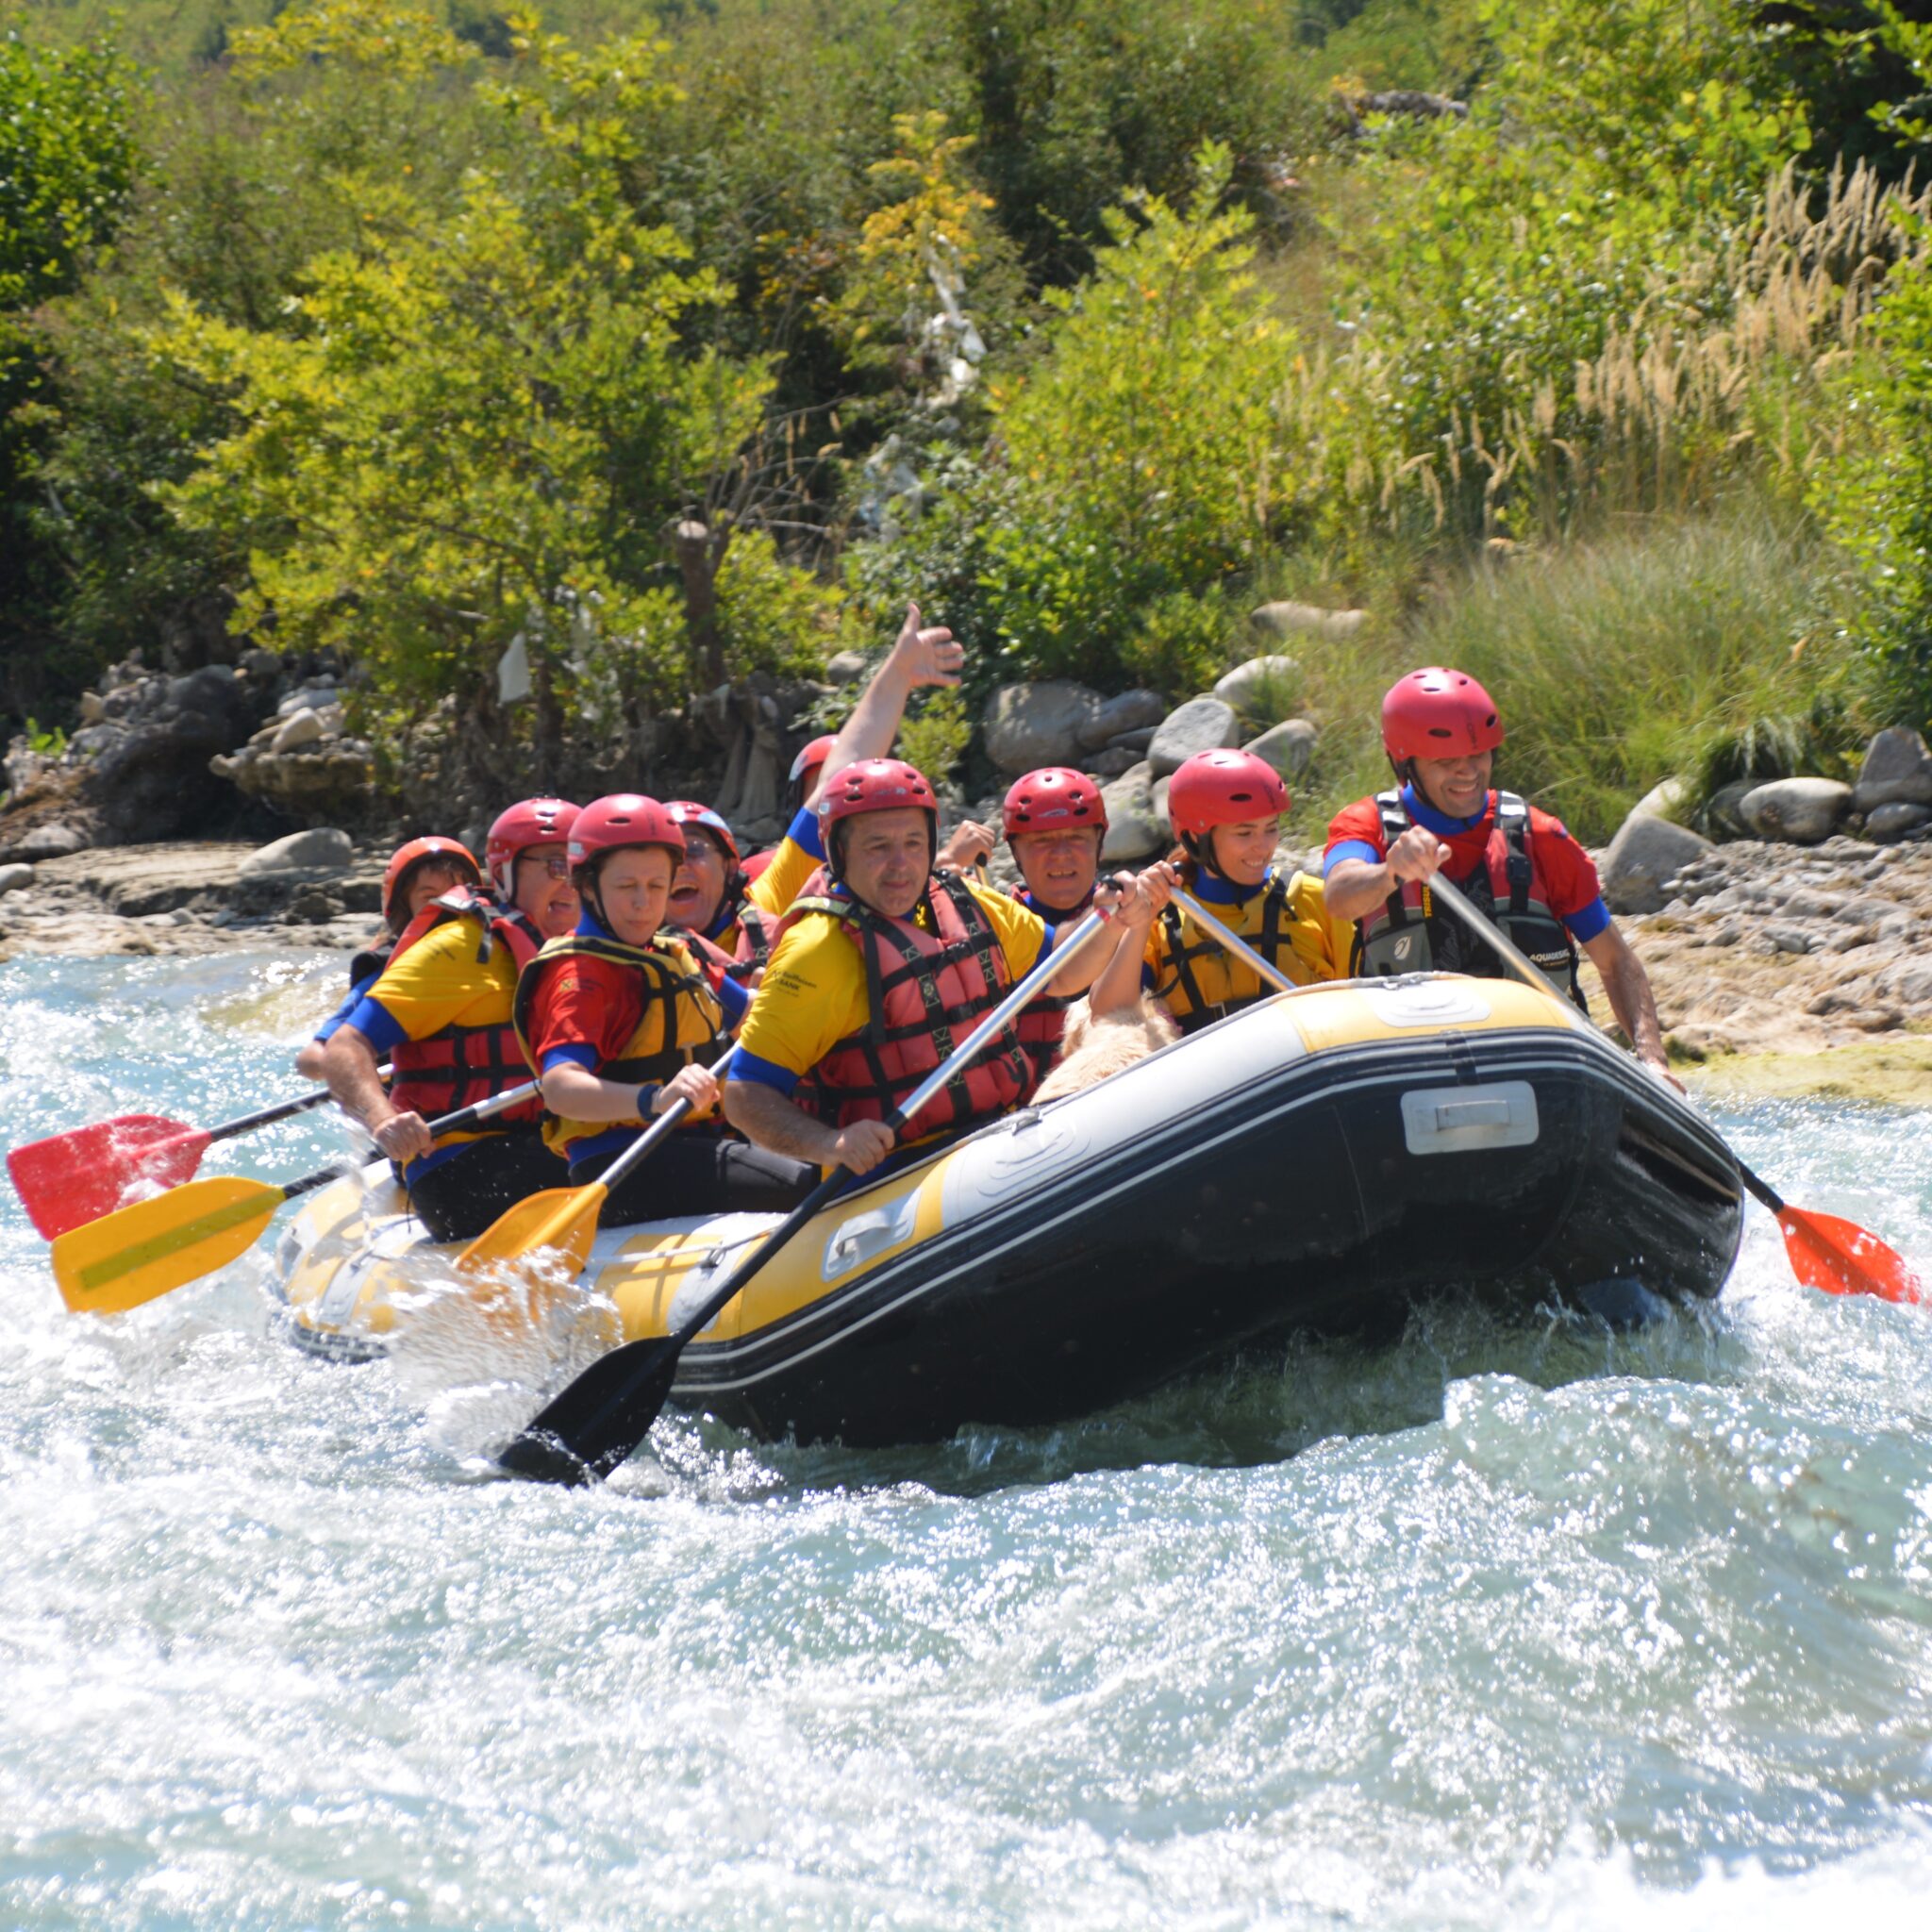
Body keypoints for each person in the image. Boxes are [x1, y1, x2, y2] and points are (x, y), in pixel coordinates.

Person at [722, 758, 1167, 1176]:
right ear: (838, 852)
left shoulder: (966, 902)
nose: (900, 865)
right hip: (894, 1174)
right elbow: (744, 1092)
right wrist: (829, 1144)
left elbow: (1063, 970)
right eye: (878, 847)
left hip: (999, 1136)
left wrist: (1110, 919)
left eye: (914, 843)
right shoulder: (814, 950)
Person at [1322, 665, 1676, 1083]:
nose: (1469, 772)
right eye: (1446, 761)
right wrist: (1389, 873)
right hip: (1413, 1064)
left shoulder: (1541, 837)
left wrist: (1652, 1060)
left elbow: (1616, 962)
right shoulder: (1365, 825)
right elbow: (1339, 896)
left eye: (1478, 755)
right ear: (1405, 764)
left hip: (1534, 1063)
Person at [512, 794, 814, 1223]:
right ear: (588, 887)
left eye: (656, 886)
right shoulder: (581, 975)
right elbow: (561, 1088)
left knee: (818, 1151)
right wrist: (655, 1098)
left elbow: (750, 1015)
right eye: (626, 887)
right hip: (624, 1163)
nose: (643, 903)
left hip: (693, 1145)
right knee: (811, 1185)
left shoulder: (672, 954)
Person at [320, 796, 583, 1241]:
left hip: (549, 1143)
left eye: (581, 868)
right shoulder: (460, 948)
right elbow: (344, 1048)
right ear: (504, 873)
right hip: (461, 1164)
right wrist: (382, 1120)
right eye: (556, 866)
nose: (571, 883)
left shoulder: (590, 949)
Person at [666, 601, 967, 965]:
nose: (678, 867)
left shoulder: (766, 898)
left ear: (729, 866)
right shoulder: (623, 956)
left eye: (694, 850)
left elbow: (839, 775)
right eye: (661, 863)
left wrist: (898, 674)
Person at [1091, 749, 1345, 1032]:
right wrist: (1141, 920)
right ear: (1194, 837)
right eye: (1244, 833)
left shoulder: (1317, 900)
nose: (1263, 847)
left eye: (1271, 829)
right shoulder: (1160, 918)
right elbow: (1106, 1015)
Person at [940, 767, 1111, 1082]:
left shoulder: (1134, 913)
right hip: (1025, 1102)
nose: (1061, 855)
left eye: (1076, 837)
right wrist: (945, 862)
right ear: (1015, 852)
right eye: (1041, 841)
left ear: (1099, 844)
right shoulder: (995, 925)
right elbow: (905, 916)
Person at [294, 836, 480, 1080]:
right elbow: (311, 1059)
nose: (446, 907)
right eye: (429, 898)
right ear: (404, 907)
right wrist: (352, 1071)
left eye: (456, 895)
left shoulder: (499, 956)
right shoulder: (388, 973)